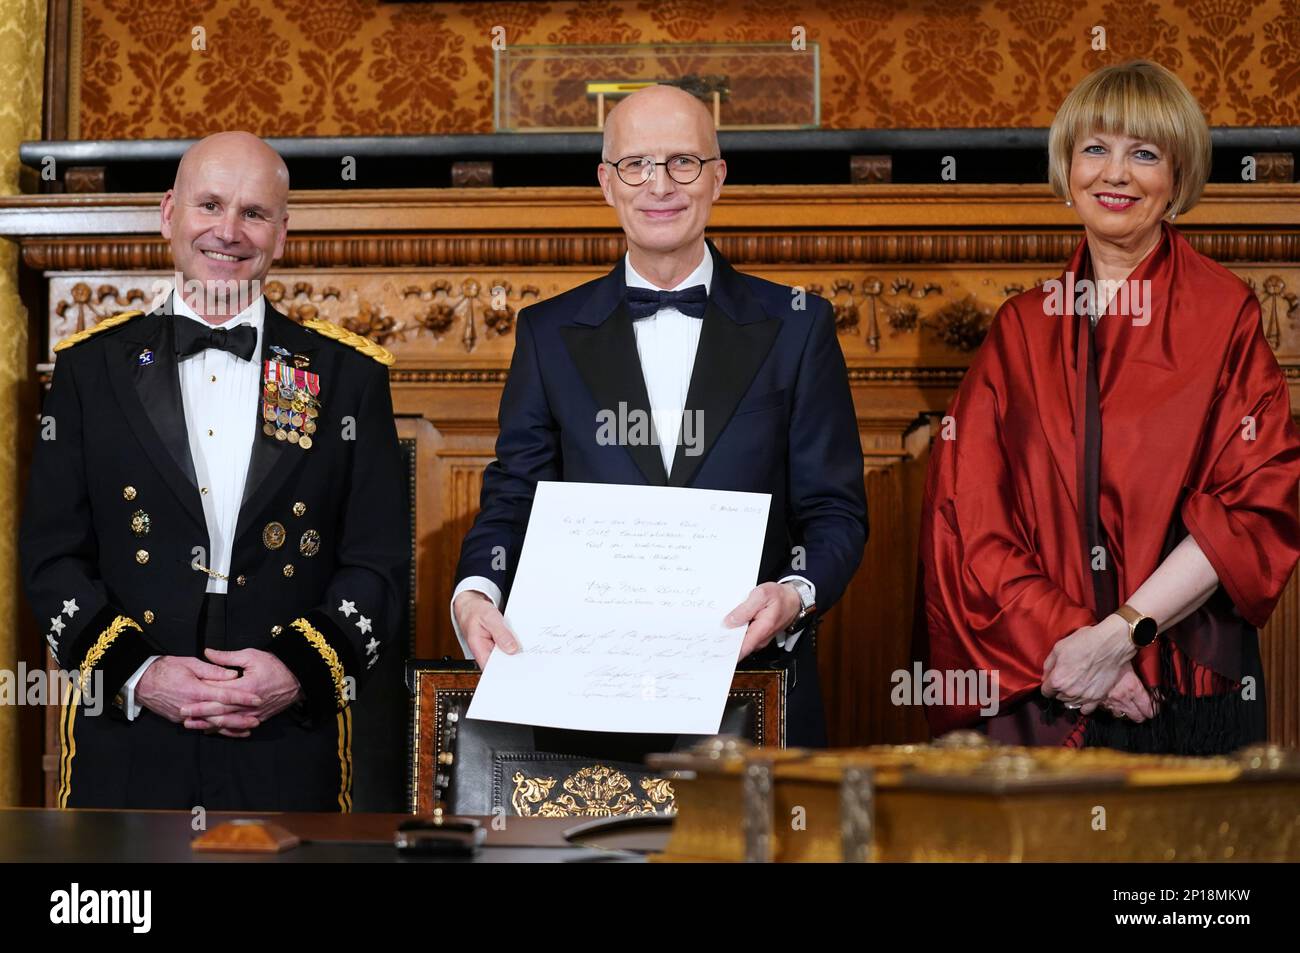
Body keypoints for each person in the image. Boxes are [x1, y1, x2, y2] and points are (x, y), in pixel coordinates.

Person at [451, 85, 868, 747]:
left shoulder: (798, 325)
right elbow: (513, 499)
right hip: (587, 704)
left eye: (683, 162)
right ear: (607, 184)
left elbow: (835, 511)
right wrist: (476, 591)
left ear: (718, 177)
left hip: (752, 691)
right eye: (636, 165)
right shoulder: (547, 332)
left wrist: (794, 592)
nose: (660, 185)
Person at [918, 60, 1300, 753]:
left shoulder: (1224, 317)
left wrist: (1121, 634)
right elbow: (969, 518)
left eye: (1144, 153)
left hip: (1182, 691)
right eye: (1095, 148)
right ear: (1067, 171)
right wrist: (1072, 641)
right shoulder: (1021, 329)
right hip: (1049, 682)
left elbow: (1256, 501)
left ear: (1178, 181)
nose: (1115, 173)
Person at [21, 131, 408, 809]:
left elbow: (378, 563)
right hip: (129, 732)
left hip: (287, 733)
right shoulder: (90, 371)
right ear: (169, 213)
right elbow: (51, 559)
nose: (229, 232)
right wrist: (140, 672)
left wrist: (294, 670)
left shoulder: (349, 377)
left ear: (281, 234)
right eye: (210, 205)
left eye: (255, 213)